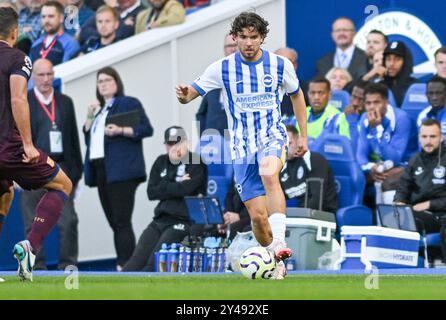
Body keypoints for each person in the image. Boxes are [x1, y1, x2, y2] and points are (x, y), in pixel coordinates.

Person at [176, 12, 308, 280]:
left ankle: (280, 241)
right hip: (241, 148)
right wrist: (183, 95)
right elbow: (192, 94)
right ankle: (274, 259)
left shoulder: (280, 65)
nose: (249, 43)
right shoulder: (221, 68)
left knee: (269, 173)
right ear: (235, 38)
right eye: (243, 37)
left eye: (254, 37)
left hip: (272, 137)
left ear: (262, 38)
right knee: (258, 219)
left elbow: (297, 96)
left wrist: (303, 136)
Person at [0, 7, 73, 281]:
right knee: (62, 184)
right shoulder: (18, 58)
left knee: (4, 196)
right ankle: (30, 247)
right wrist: (28, 144)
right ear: (15, 32)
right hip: (8, 145)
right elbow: (19, 99)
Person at [83, 66, 153, 270]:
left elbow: (146, 129)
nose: (103, 84)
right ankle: (125, 263)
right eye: (99, 81)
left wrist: (122, 130)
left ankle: (126, 264)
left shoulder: (127, 103)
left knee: (121, 220)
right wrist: (89, 116)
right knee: (114, 221)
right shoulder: (99, 110)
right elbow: (90, 139)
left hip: (121, 170)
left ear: (116, 82)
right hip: (101, 169)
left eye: (107, 80)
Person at [20, 58, 82, 270]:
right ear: (33, 77)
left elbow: (73, 139)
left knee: (69, 221)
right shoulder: (23, 101)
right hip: (32, 170)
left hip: (61, 171)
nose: (46, 79)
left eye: (49, 75)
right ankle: (36, 267)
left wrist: (76, 173)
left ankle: (68, 265)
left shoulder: (65, 102)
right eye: (41, 75)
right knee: (33, 222)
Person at [122, 126, 207, 271]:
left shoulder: (196, 162)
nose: (174, 147)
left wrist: (166, 186)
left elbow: (186, 189)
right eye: (170, 144)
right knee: (133, 263)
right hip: (159, 220)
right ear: (165, 145)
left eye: (177, 143)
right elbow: (151, 193)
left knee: (153, 263)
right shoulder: (160, 161)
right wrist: (177, 183)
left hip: (182, 221)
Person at [357, 83, 418, 205]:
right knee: (356, 177)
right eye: (368, 103)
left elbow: (394, 158)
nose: (372, 107)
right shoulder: (365, 118)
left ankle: (390, 221)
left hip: (405, 165)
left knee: (386, 180)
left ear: (386, 102)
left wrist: (377, 129)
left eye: (376, 102)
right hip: (380, 165)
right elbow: (360, 154)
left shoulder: (401, 119)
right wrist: (371, 168)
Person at [394, 119, 446, 261]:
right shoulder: (415, 160)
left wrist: (429, 204)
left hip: (440, 215)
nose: (428, 141)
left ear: (441, 137)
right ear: (419, 138)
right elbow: (403, 187)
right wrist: (399, 202)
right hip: (417, 214)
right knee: (389, 215)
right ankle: (397, 268)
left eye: (432, 136)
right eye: (424, 137)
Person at [280, 126, 338, 213]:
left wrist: (294, 214)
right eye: (282, 146)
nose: (286, 149)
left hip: (323, 216)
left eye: (289, 143)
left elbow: (316, 201)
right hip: (297, 216)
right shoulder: (281, 167)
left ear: (299, 141)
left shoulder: (315, 160)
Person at [195, 34, 236, 136]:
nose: (233, 49)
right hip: (213, 144)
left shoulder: (250, 76)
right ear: (224, 50)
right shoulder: (215, 74)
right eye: (229, 46)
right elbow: (201, 114)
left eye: (236, 45)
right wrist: (204, 137)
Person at [316, 17, 368, 81]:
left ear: (354, 33)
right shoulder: (322, 62)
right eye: (338, 30)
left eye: (345, 30)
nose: (341, 33)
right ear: (333, 35)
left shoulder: (366, 57)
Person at [29, 1, 80, 65]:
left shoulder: (70, 43)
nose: (46, 20)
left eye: (51, 16)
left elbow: (66, 70)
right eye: (43, 17)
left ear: (61, 18)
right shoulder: (35, 44)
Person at [324, 80, 366, 152]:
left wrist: (352, 123)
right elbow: (323, 145)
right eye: (354, 97)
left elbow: (357, 152)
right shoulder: (334, 119)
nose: (355, 103)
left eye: (361, 99)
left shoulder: (373, 124)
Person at [380, 41, 417, 108]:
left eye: (397, 59)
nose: (391, 64)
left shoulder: (415, 86)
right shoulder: (379, 86)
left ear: (405, 62)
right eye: (388, 59)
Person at [275, 47, 309, 117]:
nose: (284, 66)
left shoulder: (306, 89)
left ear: (295, 66)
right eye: (280, 61)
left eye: (288, 62)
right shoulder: (260, 87)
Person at [417, 76, 446, 140]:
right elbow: (421, 144)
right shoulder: (423, 116)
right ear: (426, 95)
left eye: (438, 93)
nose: (434, 98)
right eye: (430, 93)